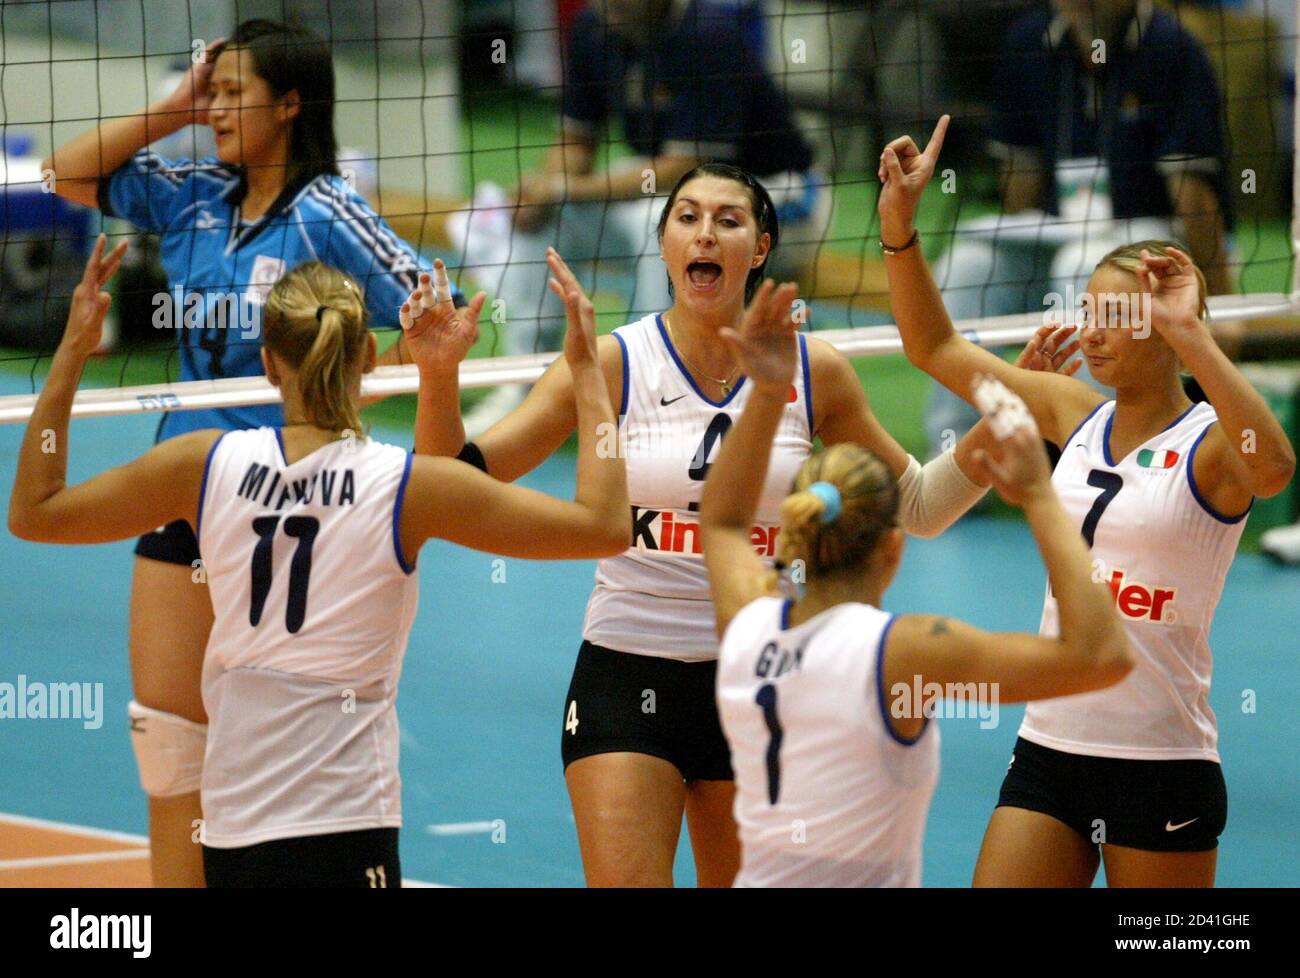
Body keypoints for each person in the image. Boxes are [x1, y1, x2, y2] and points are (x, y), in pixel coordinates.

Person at [414, 162, 996, 886]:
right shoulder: (613, 362)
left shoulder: (814, 373)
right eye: (687, 217)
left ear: (759, 248)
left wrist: (993, 441)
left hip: (761, 677)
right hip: (626, 670)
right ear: (663, 245)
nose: (706, 232)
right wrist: (437, 378)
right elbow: (452, 482)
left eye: (728, 219)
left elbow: (917, 508)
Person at [8, 239, 628, 887]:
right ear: (366, 356)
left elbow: (35, 511)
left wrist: (72, 352)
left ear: (270, 365)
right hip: (342, 827)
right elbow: (604, 526)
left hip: (231, 828)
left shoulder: (202, 464)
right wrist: (587, 378)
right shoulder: (406, 486)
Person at [39, 19, 461, 886]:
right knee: (167, 740)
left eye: (235, 93)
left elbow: (434, 306)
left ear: (291, 104)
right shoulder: (192, 192)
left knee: (277, 733)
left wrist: (383, 378)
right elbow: (65, 173)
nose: (219, 107)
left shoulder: (328, 212)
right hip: (187, 485)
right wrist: (174, 111)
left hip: (297, 496)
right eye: (214, 90)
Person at [878, 115, 1295, 886]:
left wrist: (1195, 336)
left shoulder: (1208, 443)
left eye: (1118, 316)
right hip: (1051, 750)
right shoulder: (1071, 412)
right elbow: (933, 349)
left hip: (1161, 765)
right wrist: (898, 230)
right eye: (1089, 312)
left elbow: (1272, 469)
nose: (1094, 332)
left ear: (1165, 324)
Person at [699, 280, 1132, 886]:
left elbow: (719, 521)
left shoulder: (746, 625)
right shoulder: (907, 653)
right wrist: (1039, 494)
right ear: (891, 549)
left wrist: (769, 395)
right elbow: (1101, 655)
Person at [454, 0, 831, 436]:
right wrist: (543, 187)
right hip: (666, 188)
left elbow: (685, 166)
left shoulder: (710, 34)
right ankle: (524, 388)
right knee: (544, 221)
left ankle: (658, 392)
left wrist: (563, 187)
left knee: (671, 225)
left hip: (772, 196)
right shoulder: (594, 27)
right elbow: (577, 140)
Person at [924, 0, 1235, 454]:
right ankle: (959, 456)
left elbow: (1193, 194)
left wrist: (1224, 304)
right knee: (968, 267)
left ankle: (1096, 453)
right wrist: (1022, 251)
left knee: (1085, 269)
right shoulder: (1028, 43)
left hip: (1147, 244)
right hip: (1056, 233)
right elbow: (1021, 176)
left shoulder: (1172, 48)